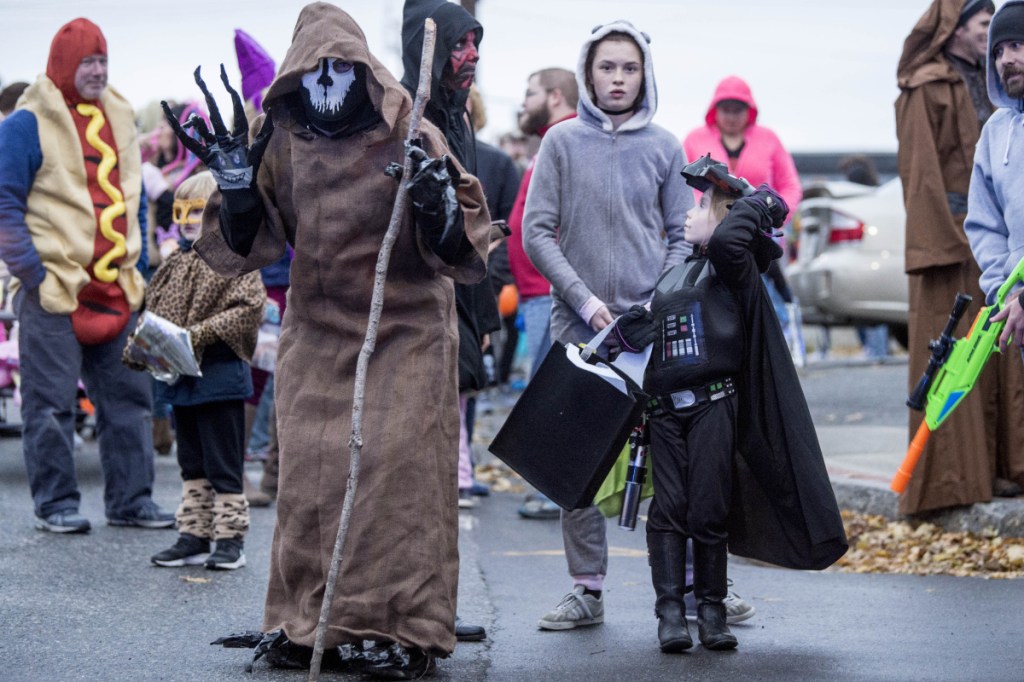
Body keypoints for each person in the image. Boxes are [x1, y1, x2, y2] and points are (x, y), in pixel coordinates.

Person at [178, 3, 490, 677]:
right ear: (295, 73)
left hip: (406, 327)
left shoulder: (408, 124)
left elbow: (465, 247)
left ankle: (408, 629)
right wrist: (237, 194)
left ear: (362, 68)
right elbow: (248, 246)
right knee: (311, 484)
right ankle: (311, 622)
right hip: (318, 330)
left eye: (340, 66)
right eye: (314, 67)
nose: (327, 79)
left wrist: (437, 208)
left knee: (400, 482)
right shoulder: (280, 132)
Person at [615, 155, 847, 652]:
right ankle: (670, 614)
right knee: (669, 510)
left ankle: (712, 612)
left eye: (701, 205)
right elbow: (651, 337)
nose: (687, 213)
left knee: (708, 508)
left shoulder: (733, 268)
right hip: (663, 412)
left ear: (723, 215)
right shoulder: (675, 275)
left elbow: (728, 241)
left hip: (713, 405)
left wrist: (757, 201)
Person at [522, 20, 694, 631]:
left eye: (629, 68)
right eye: (606, 67)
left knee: (673, 458)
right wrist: (585, 300)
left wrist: (655, 304)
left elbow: (682, 234)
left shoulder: (666, 147)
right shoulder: (561, 142)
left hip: (653, 331)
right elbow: (537, 232)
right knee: (577, 461)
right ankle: (586, 589)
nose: (618, 79)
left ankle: (693, 586)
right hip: (580, 328)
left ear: (644, 75)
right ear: (587, 75)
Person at [0, 18, 174, 533]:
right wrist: (34, 275)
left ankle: (131, 501)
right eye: (87, 62)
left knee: (131, 402)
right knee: (50, 406)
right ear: (63, 65)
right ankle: (55, 504)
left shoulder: (120, 117)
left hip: (116, 289)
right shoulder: (25, 124)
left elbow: (134, 197)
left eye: (103, 61)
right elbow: (4, 204)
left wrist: (136, 268)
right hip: (53, 289)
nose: (98, 71)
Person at [896, 0, 1024, 510]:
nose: (1001, 53)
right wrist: (948, 247)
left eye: (1013, 43)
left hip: (994, 261)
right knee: (956, 363)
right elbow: (923, 176)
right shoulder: (927, 88)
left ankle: (1002, 469)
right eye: (990, 34)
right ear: (952, 28)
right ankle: (954, 483)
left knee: (998, 367)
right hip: (952, 251)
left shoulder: (991, 95)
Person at [399, 0, 494, 644]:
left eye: (476, 43)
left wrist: (481, 319)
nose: (473, 56)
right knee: (413, 469)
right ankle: (409, 608)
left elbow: (473, 223)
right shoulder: (407, 114)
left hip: (457, 308)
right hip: (415, 314)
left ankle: (434, 609)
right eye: (461, 45)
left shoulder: (457, 115)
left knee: (440, 474)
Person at [128, 171, 265, 570]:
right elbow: (154, 309)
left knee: (223, 461)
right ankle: (194, 534)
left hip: (220, 375)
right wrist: (145, 344)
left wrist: (197, 335)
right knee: (191, 460)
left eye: (196, 212)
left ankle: (230, 539)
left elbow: (247, 309)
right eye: (181, 212)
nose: (187, 221)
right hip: (182, 378)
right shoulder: (175, 262)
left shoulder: (236, 259)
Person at [507, 66, 578, 521]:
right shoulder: (550, 142)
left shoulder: (565, 141)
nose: (523, 102)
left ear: (554, 96)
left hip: (548, 290)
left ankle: (558, 492)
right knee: (547, 390)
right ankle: (554, 489)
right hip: (536, 291)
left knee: (554, 395)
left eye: (530, 93)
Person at [683, 75, 803, 341]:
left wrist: (774, 217)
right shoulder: (694, 139)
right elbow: (683, 186)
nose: (731, 116)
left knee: (767, 304)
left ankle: (776, 349)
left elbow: (791, 185)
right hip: (709, 237)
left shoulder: (769, 139)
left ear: (749, 110)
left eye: (738, 109)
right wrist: (702, 215)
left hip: (759, 235)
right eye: (725, 109)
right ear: (715, 109)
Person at [965, 0, 1024, 499]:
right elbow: (985, 224)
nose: (1007, 59)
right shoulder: (995, 133)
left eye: (1019, 45)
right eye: (999, 50)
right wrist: (1004, 291)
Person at [838, 155, 890, 360]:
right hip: (877, 252)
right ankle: (878, 349)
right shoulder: (878, 193)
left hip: (862, 253)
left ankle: (874, 350)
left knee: (865, 307)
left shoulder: (857, 194)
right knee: (876, 304)